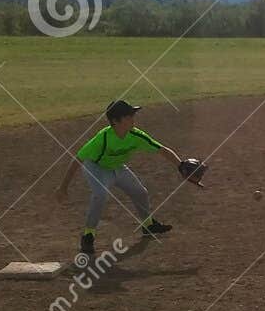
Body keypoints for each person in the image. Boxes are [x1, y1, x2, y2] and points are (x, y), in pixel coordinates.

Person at [57, 99, 184, 257]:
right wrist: (63, 188)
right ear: (115, 121)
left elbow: (161, 149)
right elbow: (77, 159)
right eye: (128, 116)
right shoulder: (102, 139)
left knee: (140, 192)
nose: (133, 119)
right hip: (96, 169)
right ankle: (88, 235)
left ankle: (148, 225)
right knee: (100, 195)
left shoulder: (136, 135)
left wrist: (181, 165)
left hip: (118, 168)